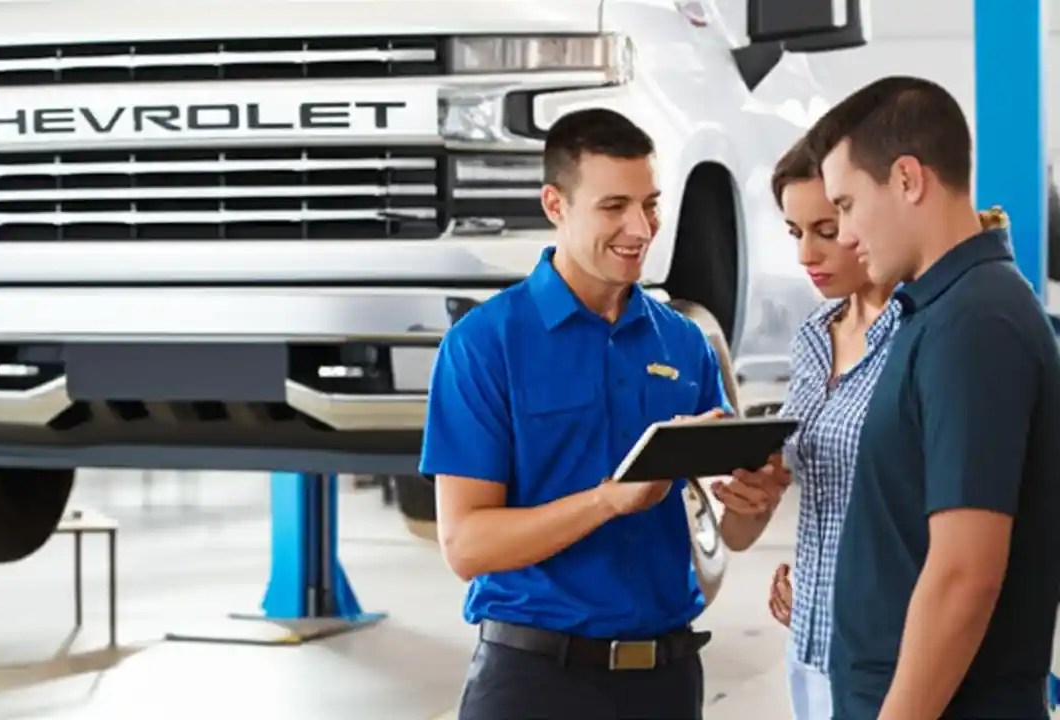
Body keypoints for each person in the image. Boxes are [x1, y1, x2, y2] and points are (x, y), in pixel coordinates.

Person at [417, 107, 791, 719]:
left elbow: (731, 533)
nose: (640, 229)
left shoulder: (684, 343)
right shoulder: (485, 344)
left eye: (651, 205)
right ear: (555, 205)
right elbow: (466, 546)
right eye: (614, 206)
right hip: (533, 682)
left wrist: (756, 501)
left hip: (667, 681)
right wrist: (608, 501)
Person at [802, 74, 1060, 720]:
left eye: (847, 205)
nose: (844, 234)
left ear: (907, 179)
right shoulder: (941, 312)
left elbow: (965, 573)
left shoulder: (975, 323)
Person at [714, 136, 902, 720]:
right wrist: (753, 496)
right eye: (795, 232)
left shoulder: (922, 335)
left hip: (895, 655)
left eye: (826, 229)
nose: (805, 255)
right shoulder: (813, 337)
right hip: (811, 648)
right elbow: (745, 532)